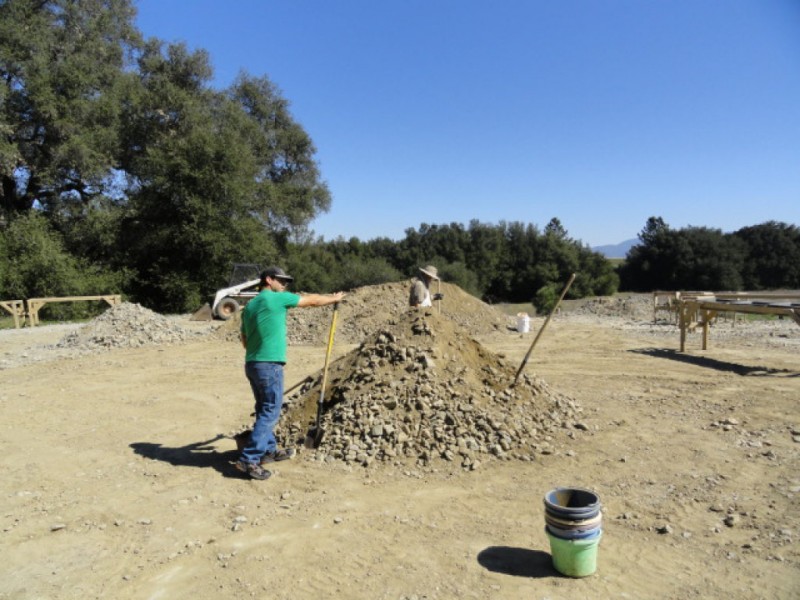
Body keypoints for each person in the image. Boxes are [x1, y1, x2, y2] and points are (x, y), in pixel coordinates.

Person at [236, 266, 346, 480]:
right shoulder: (275, 299)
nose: (285, 284)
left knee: (263, 408)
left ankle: (268, 450)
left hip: (253, 364)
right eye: (281, 280)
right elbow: (310, 300)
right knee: (270, 411)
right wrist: (334, 299)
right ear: (269, 280)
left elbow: (244, 341)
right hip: (269, 365)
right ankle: (249, 459)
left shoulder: (250, 306)